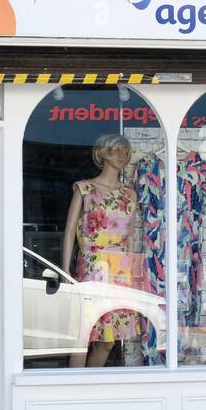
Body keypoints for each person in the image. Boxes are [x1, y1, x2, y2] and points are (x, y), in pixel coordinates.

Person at [62, 134, 142, 367]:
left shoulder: (129, 195)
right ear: (102, 153)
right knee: (84, 332)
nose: (121, 155)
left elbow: (130, 236)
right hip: (91, 265)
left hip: (120, 271)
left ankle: (89, 385)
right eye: (116, 150)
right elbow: (69, 231)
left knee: (109, 340)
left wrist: (133, 274)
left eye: (125, 152)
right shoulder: (85, 188)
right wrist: (65, 270)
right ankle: (73, 391)